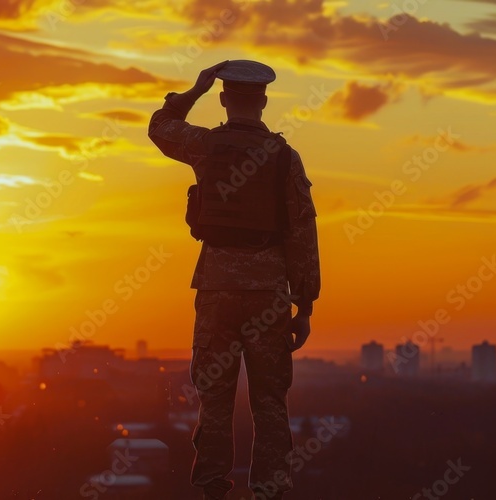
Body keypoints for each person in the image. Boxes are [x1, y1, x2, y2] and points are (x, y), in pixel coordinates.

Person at [147, 60, 321, 500]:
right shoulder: (284, 157)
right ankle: (269, 491)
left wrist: (194, 90)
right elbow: (303, 232)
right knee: (270, 404)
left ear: (224, 98)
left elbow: (160, 126)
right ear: (263, 101)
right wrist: (305, 306)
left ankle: (212, 490)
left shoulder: (205, 145)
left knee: (215, 401)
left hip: (216, 291)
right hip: (268, 295)